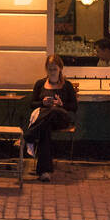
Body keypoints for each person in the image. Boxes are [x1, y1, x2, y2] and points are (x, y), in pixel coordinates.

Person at [24, 54, 77, 182]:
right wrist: (43, 103)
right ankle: (45, 172)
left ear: (60, 69)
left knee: (53, 110)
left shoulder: (67, 85)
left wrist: (61, 104)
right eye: (49, 69)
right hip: (45, 120)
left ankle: (27, 137)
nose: (52, 72)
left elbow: (74, 107)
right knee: (45, 130)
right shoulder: (40, 84)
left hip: (61, 119)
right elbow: (32, 104)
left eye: (54, 69)